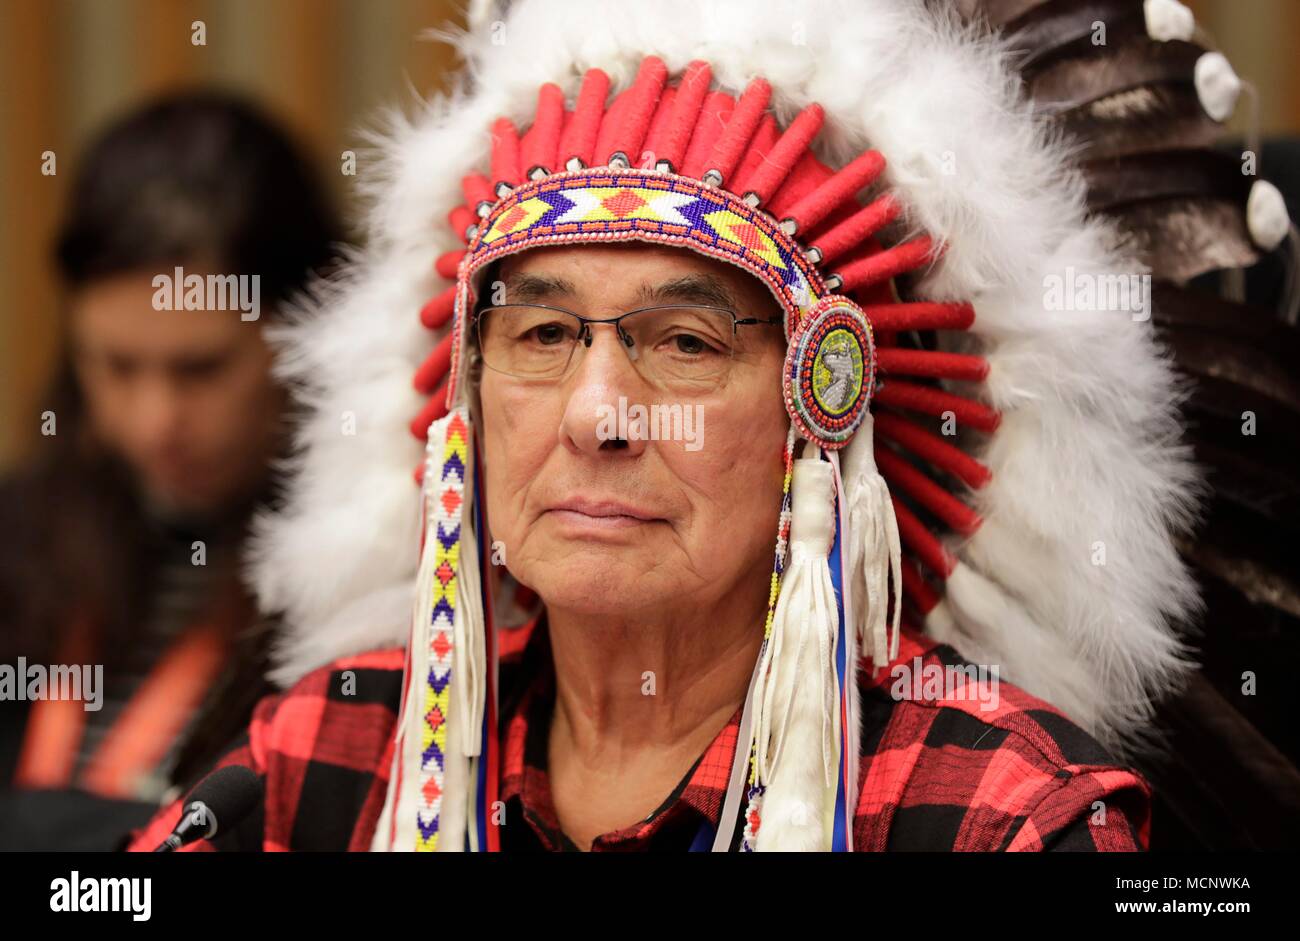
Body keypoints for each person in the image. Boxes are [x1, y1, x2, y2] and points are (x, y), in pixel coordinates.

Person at [128, 0, 1206, 852]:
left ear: (817, 420)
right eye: (542, 334)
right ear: (468, 393)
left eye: (685, 343)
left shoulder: (995, 814)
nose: (598, 414)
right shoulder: (332, 756)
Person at [0, 92, 340, 847]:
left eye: (201, 369)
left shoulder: (357, 585)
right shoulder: (19, 537)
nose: (157, 422)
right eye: (117, 365)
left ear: (306, 334)